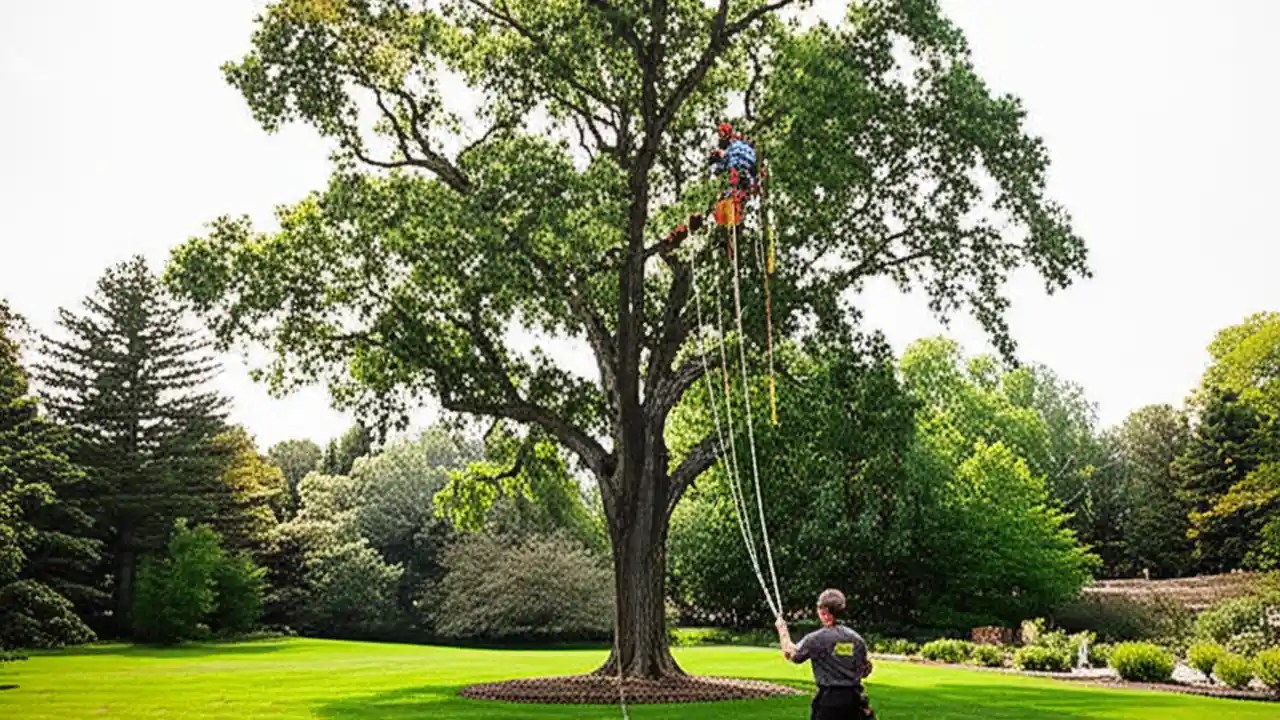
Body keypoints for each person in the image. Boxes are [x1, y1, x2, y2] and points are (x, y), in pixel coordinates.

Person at [775, 589, 875, 720]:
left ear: (824, 612)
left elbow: (792, 654)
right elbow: (866, 670)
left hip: (828, 702)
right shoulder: (857, 639)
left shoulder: (817, 639)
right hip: (854, 701)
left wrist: (782, 630)